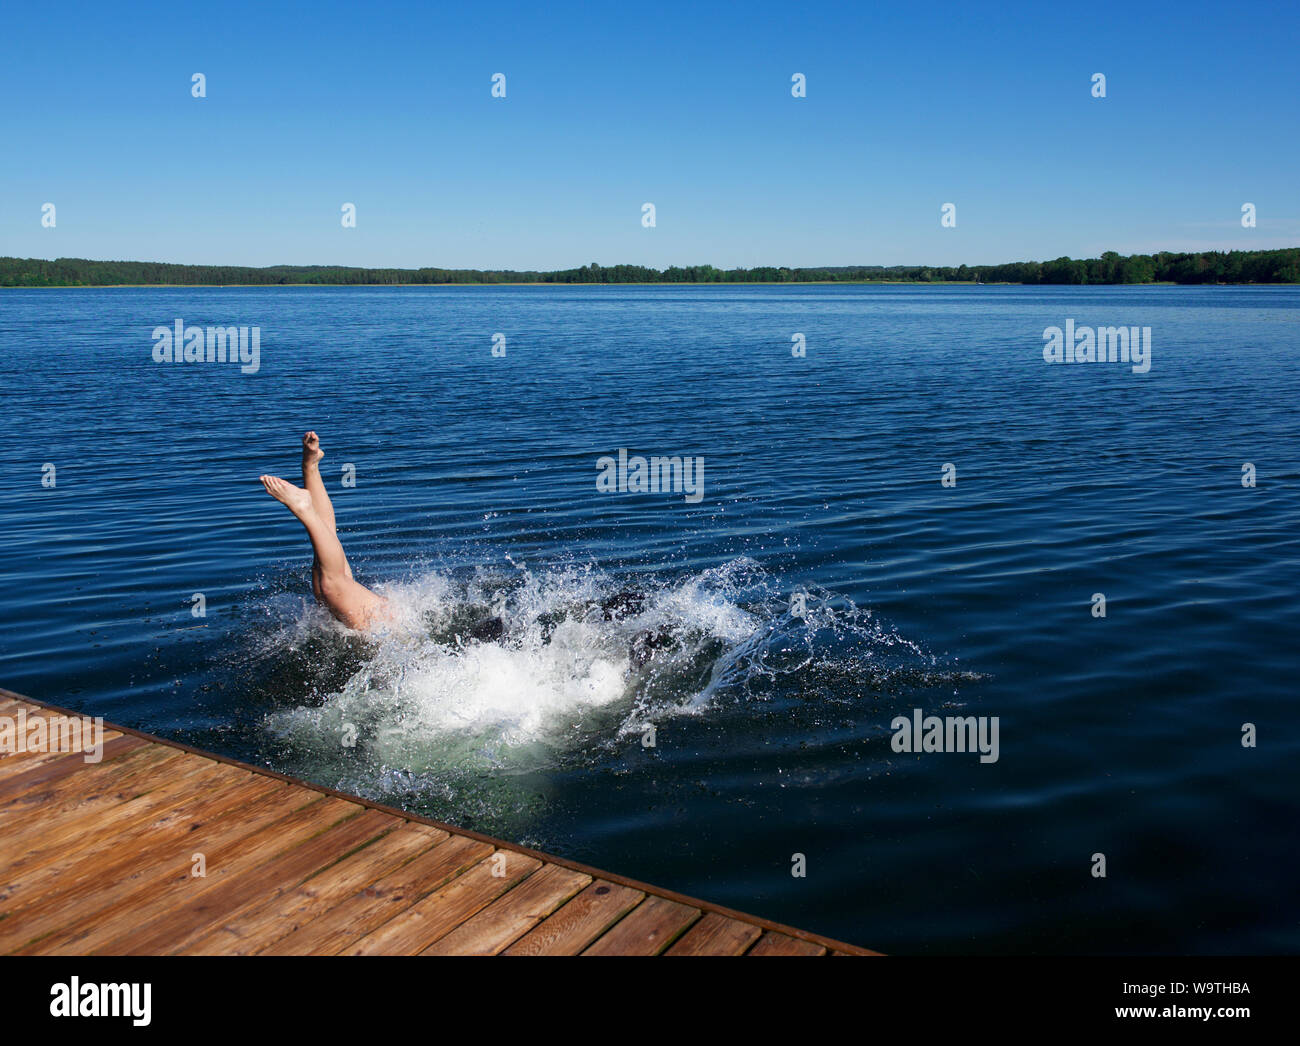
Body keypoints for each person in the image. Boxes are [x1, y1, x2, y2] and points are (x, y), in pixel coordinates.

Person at [259, 432, 391, 631]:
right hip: (390, 626)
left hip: (389, 624)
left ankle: (310, 467)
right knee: (331, 583)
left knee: (327, 566)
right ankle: (304, 507)